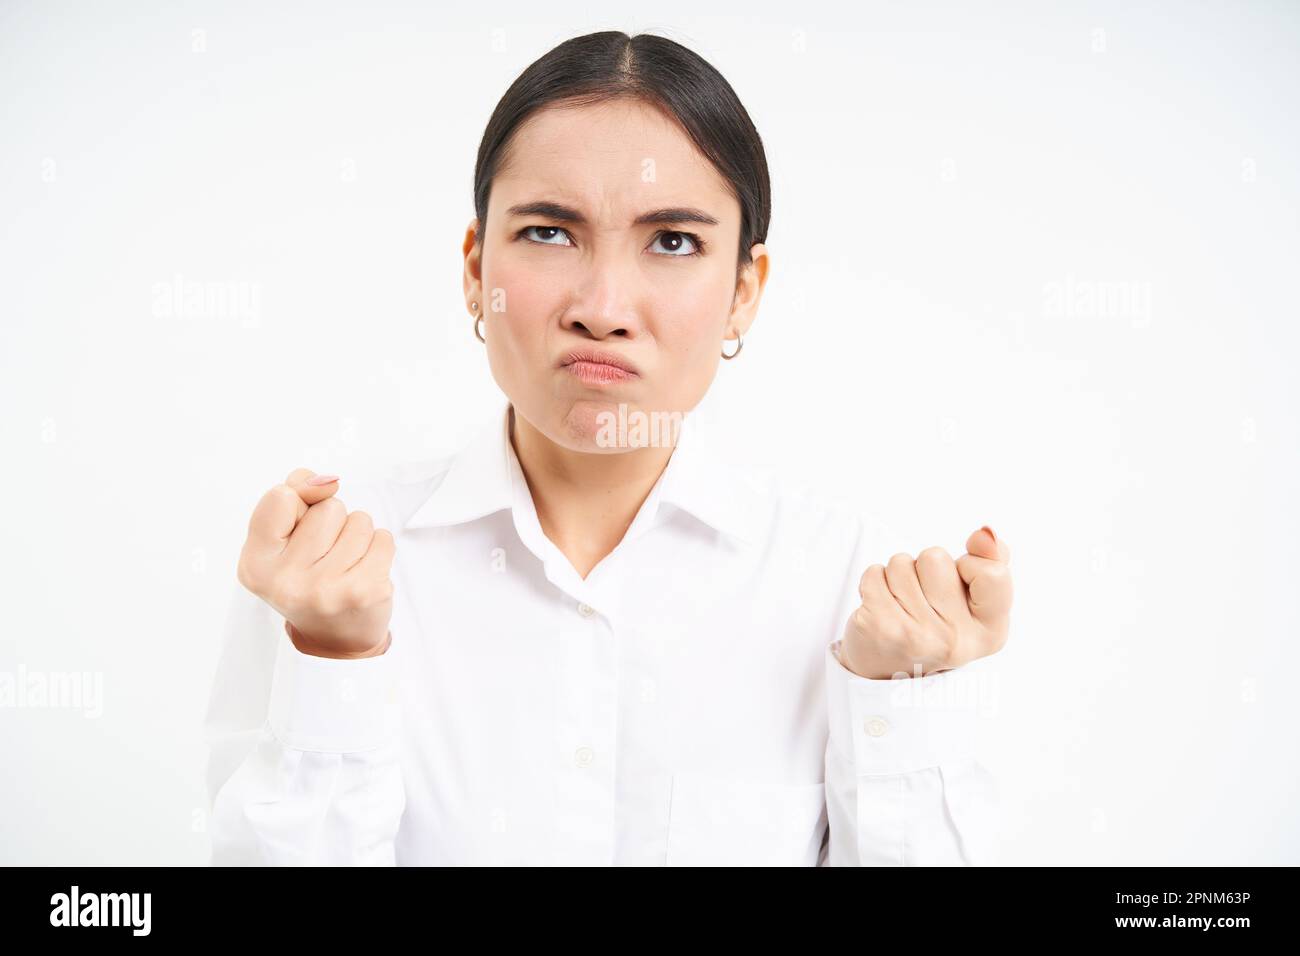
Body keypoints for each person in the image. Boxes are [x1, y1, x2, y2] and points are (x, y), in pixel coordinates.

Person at [203, 30, 1013, 866]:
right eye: (550, 232)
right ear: (478, 267)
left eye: (673, 242)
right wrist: (335, 663)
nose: (603, 305)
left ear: (743, 293)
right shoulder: (331, 573)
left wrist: (897, 704)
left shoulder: (845, 582)